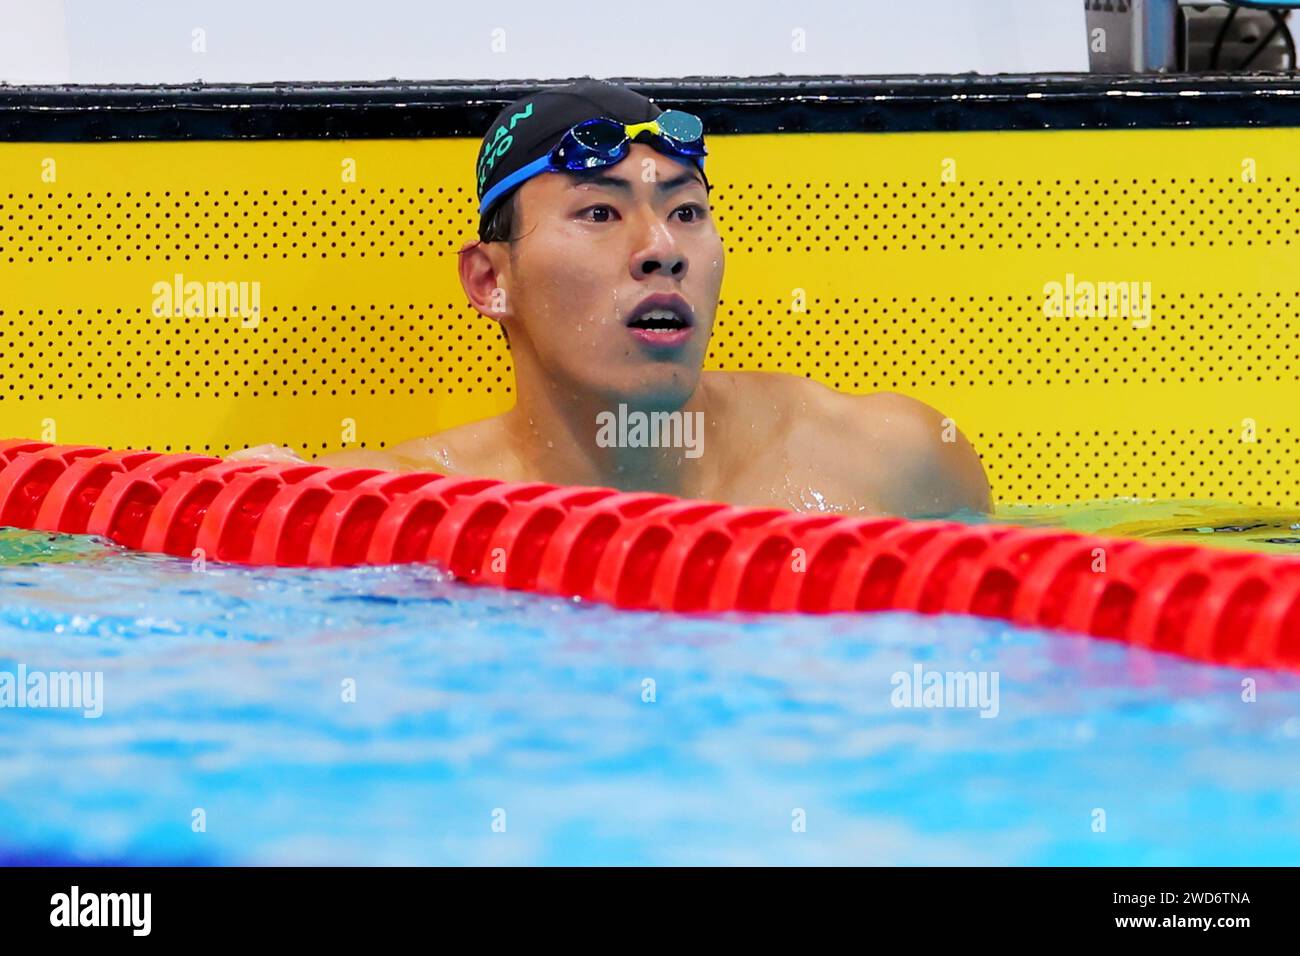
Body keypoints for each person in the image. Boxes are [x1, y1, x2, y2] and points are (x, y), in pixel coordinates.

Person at [235, 78, 990, 517]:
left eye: (686, 211)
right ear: (490, 281)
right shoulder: (400, 511)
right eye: (600, 213)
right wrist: (234, 522)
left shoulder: (893, 462)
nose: (661, 247)